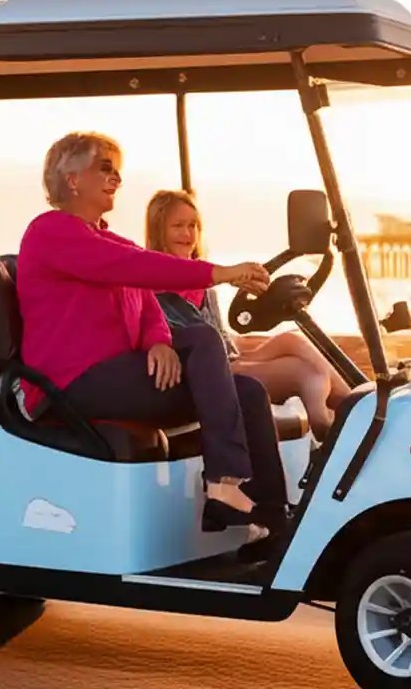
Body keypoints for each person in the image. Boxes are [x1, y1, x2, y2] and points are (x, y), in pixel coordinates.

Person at [16, 131, 288, 551]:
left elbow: (146, 303)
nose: (116, 178)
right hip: (70, 383)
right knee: (201, 338)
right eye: (104, 169)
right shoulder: (49, 232)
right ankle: (222, 481)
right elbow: (135, 267)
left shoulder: (108, 240)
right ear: (72, 179)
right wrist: (221, 273)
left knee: (249, 392)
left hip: (120, 375)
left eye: (117, 171)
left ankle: (272, 523)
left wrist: (158, 341)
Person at [144, 189, 350, 440]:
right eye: (178, 226)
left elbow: (224, 341)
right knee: (302, 372)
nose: (188, 234)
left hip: (227, 360)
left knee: (292, 339)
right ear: (158, 231)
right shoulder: (153, 280)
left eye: (193, 226)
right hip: (200, 374)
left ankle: (352, 403)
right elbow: (180, 281)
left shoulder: (205, 289)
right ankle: (325, 426)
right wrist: (228, 276)